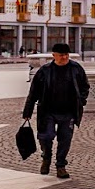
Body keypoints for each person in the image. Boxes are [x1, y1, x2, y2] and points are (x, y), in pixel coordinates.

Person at [22, 42, 89, 178]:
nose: (64, 58)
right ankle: (46, 157)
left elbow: (85, 86)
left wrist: (81, 100)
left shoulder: (76, 68)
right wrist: (27, 112)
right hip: (48, 111)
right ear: (54, 56)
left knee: (65, 139)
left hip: (69, 111)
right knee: (45, 137)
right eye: (61, 55)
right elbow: (33, 92)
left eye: (66, 55)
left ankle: (61, 165)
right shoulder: (44, 71)